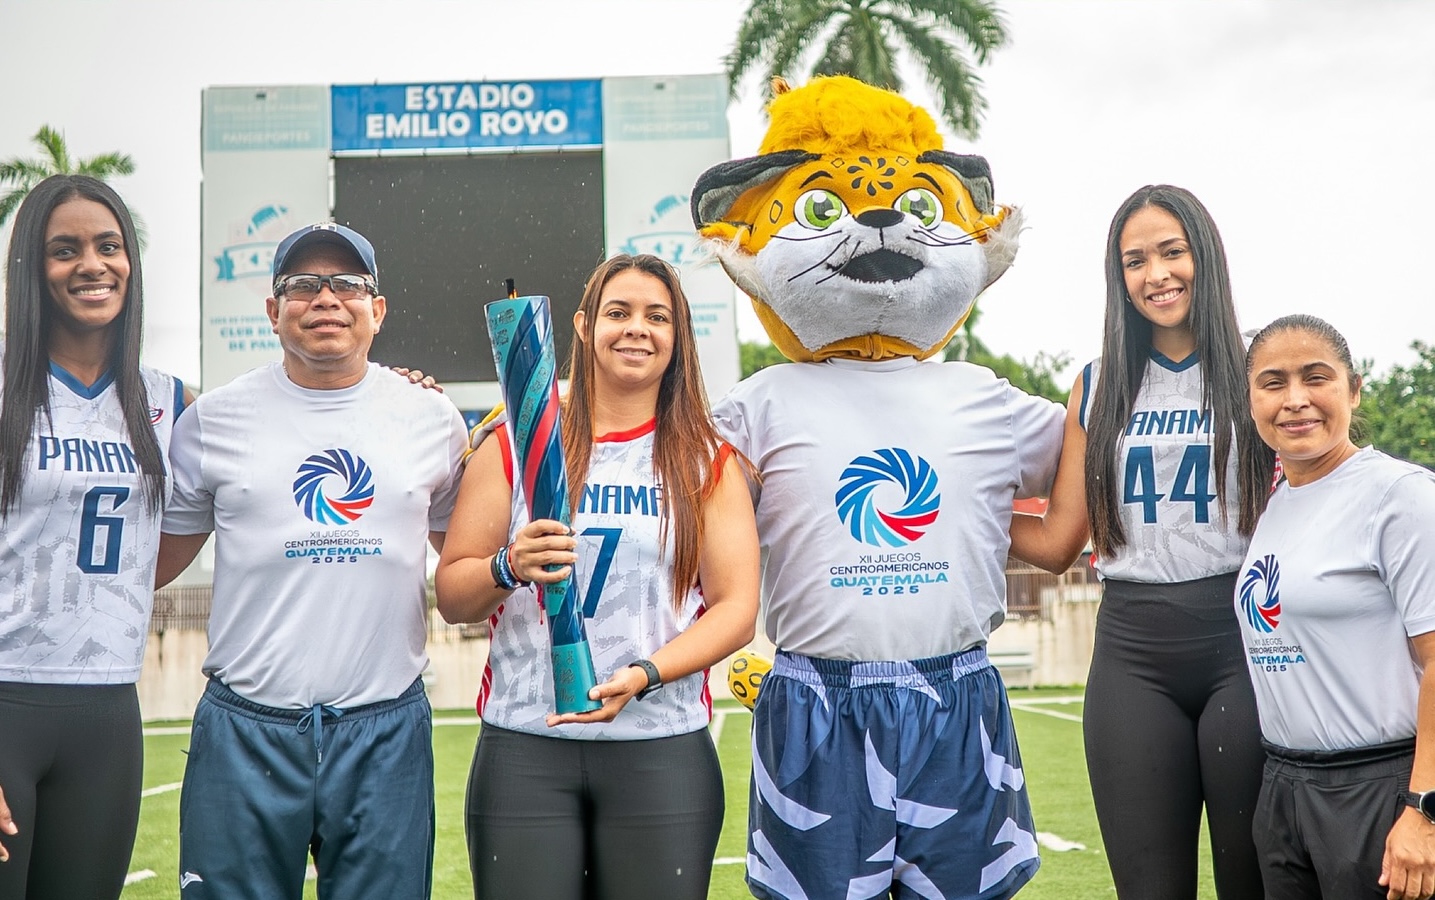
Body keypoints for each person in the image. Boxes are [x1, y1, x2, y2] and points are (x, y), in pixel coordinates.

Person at [155, 222, 469, 899]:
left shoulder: (431, 417)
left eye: (348, 284)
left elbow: (465, 562)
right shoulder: (213, 421)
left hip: (384, 729)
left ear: (376, 310)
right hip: (247, 728)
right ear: (274, 311)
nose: (325, 297)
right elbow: (148, 569)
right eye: (302, 285)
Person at [434, 253, 759, 900]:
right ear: (582, 326)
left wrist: (645, 675)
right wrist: (509, 565)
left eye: (656, 316)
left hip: (658, 744)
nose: (636, 328)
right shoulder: (512, 441)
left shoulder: (705, 458)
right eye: (618, 312)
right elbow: (452, 595)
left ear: (677, 336)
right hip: (527, 742)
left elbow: (735, 609)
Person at [1010, 185, 1268, 898]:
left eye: (1170, 252)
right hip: (1130, 654)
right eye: (1134, 260)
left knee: (1255, 882)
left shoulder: (1257, 372)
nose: (1154, 274)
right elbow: (1061, 540)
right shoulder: (1095, 385)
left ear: (1204, 258)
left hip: (1244, 647)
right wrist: (959, 507)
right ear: (1116, 279)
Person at [0, 175, 189, 898]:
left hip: (108, 710)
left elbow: (161, 553)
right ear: (32, 269)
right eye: (64, 249)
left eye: (109, 246)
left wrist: (400, 388)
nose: (91, 264)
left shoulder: (168, 401)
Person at [1237, 314, 1435, 900]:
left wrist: (1423, 809)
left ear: (1352, 390)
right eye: (1273, 383)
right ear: (1251, 401)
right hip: (1283, 790)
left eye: (1315, 378)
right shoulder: (1275, 507)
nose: (1295, 401)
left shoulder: (1400, 497)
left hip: (1377, 789)